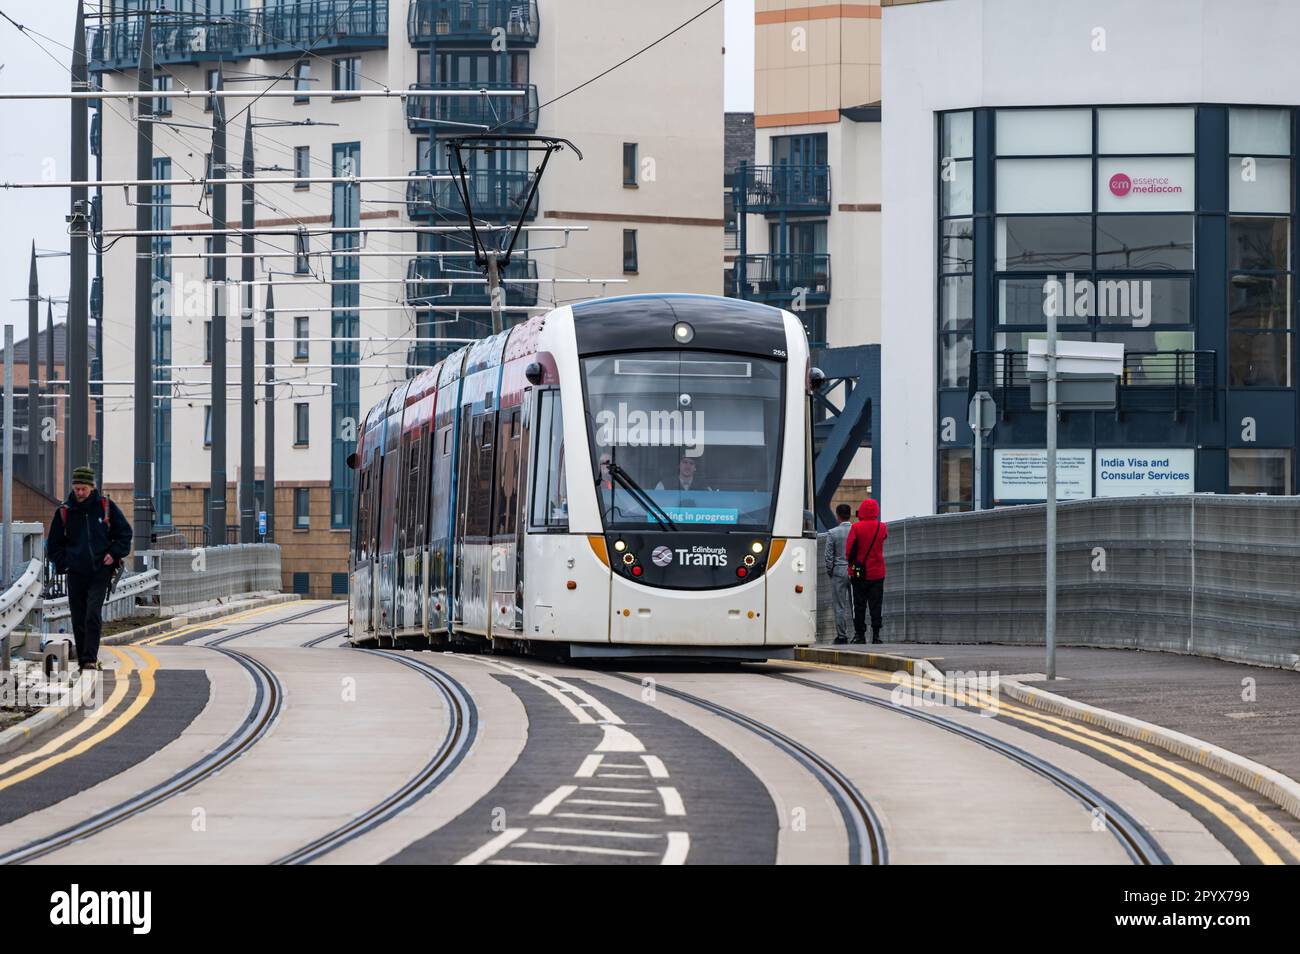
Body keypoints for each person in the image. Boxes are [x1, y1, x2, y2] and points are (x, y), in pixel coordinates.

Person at [46, 466, 133, 671]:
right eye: (76, 489)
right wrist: (65, 563)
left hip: (100, 570)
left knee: (92, 612)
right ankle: (83, 657)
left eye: (83, 489)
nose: (79, 493)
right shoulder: (64, 512)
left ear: (91, 488)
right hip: (75, 572)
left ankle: (89, 658)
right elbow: (54, 545)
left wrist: (114, 554)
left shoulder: (105, 507)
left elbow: (125, 534)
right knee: (78, 615)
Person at [845, 497, 887, 644]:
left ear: (861, 511)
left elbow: (849, 549)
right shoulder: (882, 527)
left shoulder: (856, 527)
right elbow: (884, 538)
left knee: (859, 604)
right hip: (877, 572)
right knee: (876, 604)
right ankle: (876, 635)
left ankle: (860, 635)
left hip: (859, 572)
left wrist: (851, 565)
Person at [824, 503, 854, 644]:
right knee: (856, 605)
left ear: (837, 516)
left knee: (839, 606)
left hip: (838, 571)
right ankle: (858, 634)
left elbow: (829, 556)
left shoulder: (832, 533)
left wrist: (831, 571)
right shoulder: (856, 530)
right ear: (850, 514)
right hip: (854, 570)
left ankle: (842, 636)